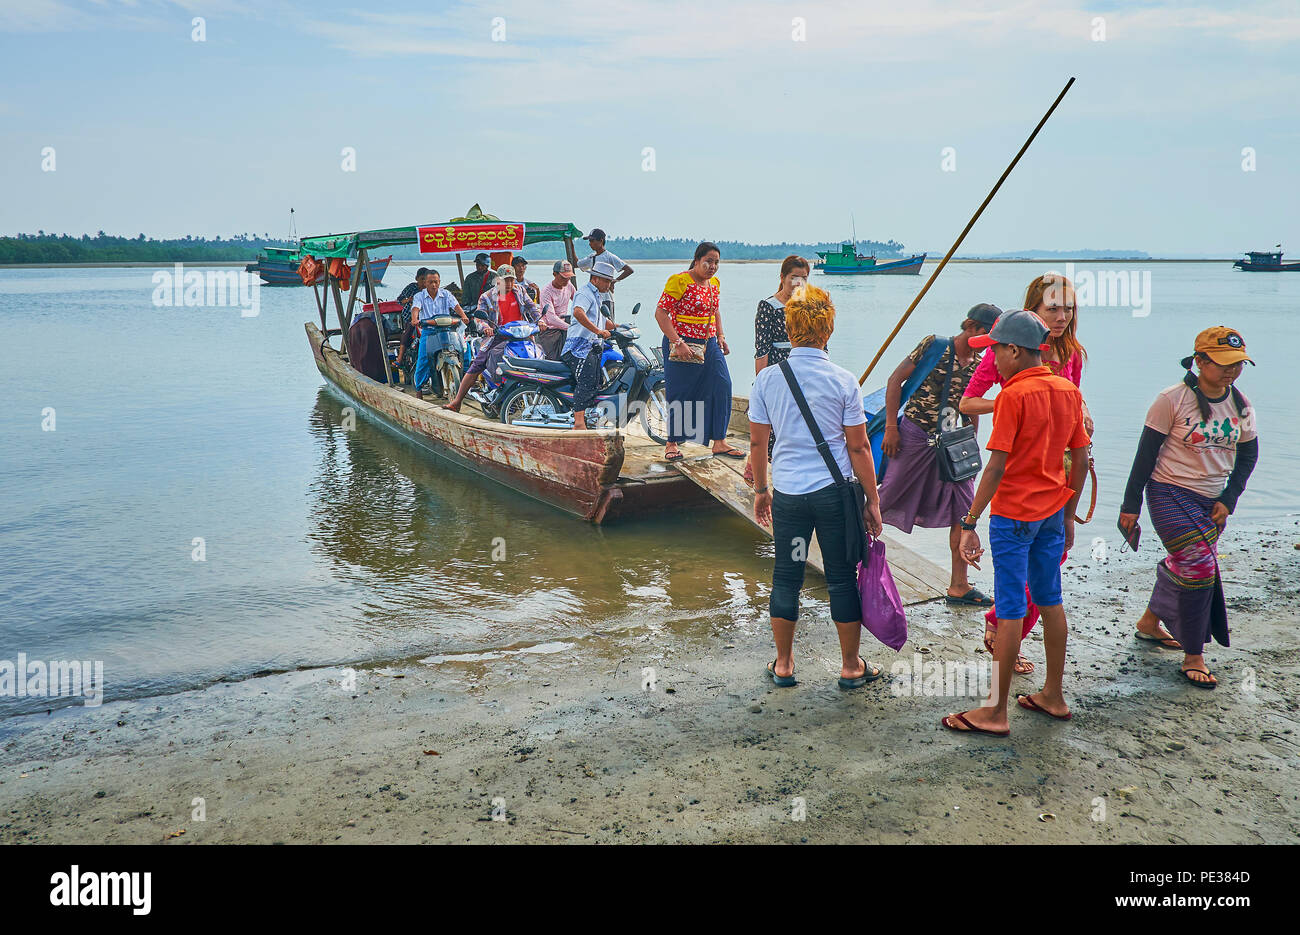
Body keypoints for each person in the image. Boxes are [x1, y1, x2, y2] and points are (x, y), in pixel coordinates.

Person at [944, 310, 1090, 737]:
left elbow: (995, 467)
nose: (992, 359)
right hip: (1051, 513)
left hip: (1013, 517)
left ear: (1013, 350)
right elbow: (1079, 459)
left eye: (994, 350)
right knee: (1049, 600)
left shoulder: (1012, 396)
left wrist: (969, 521)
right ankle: (1053, 696)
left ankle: (994, 711)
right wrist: (1068, 514)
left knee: (1009, 609)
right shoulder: (1068, 390)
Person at [748, 284, 885, 689]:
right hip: (833, 497)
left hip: (790, 497)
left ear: (790, 331)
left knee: (787, 574)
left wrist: (761, 490)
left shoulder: (767, 380)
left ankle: (785, 665)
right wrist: (873, 500)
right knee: (841, 576)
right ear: (827, 332)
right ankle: (850, 666)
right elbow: (858, 446)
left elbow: (758, 443)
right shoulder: (843, 381)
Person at [1119, 327, 1259, 689]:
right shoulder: (1171, 399)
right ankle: (1194, 654)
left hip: (1212, 501)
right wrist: (1130, 506)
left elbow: (1248, 455)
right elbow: (1145, 455)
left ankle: (1149, 624)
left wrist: (1229, 499)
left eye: (1238, 364)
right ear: (1199, 361)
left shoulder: (1241, 406)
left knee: (1189, 561)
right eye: (1223, 364)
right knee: (1199, 566)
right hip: (1168, 491)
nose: (1231, 371)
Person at [878, 304, 1002, 606]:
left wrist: (972, 444)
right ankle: (851, 559)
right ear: (971, 326)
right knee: (884, 499)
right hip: (913, 435)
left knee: (965, 509)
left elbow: (971, 406)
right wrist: (892, 428)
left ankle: (959, 585)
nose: (989, 342)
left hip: (951, 445)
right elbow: (896, 381)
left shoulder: (979, 363)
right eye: (987, 333)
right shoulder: (935, 345)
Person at [655, 242, 742, 462]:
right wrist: (677, 342)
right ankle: (672, 443)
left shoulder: (714, 284)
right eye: (709, 261)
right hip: (682, 344)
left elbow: (715, 312)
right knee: (682, 392)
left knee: (723, 385)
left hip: (709, 343)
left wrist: (721, 337)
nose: (713, 266)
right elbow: (661, 314)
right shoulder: (680, 281)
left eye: (716, 262)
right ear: (697, 260)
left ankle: (719, 442)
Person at [443, 266, 539, 412]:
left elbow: (532, 307)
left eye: (511, 280)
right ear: (497, 280)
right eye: (505, 281)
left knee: (538, 359)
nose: (509, 284)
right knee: (477, 365)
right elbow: (478, 318)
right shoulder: (487, 296)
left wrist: (541, 321)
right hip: (497, 336)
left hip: (521, 335)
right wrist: (485, 327)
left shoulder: (520, 291)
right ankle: (457, 402)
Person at [561, 258, 618, 429]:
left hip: (591, 348)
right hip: (578, 348)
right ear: (595, 279)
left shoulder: (597, 295)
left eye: (610, 281)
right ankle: (578, 423)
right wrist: (598, 332)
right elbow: (578, 312)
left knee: (596, 383)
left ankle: (590, 416)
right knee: (586, 382)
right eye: (606, 280)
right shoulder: (585, 293)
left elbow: (602, 320)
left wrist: (620, 328)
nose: (608, 284)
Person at [410, 269, 469, 401]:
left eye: (436, 282)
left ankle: (466, 380)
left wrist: (463, 316)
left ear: (439, 282)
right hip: (429, 331)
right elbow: (415, 308)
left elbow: (456, 306)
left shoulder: (446, 294)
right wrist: (415, 319)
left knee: (465, 350)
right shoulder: (419, 296)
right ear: (425, 283)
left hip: (447, 329)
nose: (434, 285)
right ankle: (419, 388)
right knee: (423, 359)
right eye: (430, 282)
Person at [754, 255, 811, 373]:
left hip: (807, 365)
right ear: (782, 277)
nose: (798, 283)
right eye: (794, 278)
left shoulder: (811, 306)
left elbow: (822, 344)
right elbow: (762, 349)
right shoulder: (769, 306)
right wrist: (760, 381)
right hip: (779, 368)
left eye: (803, 279)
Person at [393, 268, 430, 372]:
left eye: (426, 279)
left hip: (426, 317)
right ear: (417, 279)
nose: (424, 282)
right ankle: (399, 358)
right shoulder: (411, 288)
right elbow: (400, 300)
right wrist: (409, 300)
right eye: (422, 279)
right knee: (408, 331)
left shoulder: (431, 289)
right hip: (410, 317)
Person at [538, 260, 576, 360]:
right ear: (555, 274)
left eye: (569, 277)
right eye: (563, 277)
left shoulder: (569, 286)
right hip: (550, 330)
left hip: (565, 327)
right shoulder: (546, 291)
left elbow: (578, 302)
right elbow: (551, 318)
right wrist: (571, 328)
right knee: (553, 361)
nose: (566, 280)